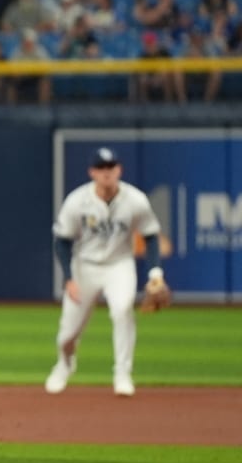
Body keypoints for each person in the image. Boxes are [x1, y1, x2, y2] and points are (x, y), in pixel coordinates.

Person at [45, 147, 165, 397]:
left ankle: (122, 373)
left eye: (111, 167)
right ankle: (65, 363)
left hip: (119, 264)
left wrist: (155, 273)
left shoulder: (135, 199)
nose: (106, 173)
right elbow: (62, 240)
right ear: (92, 172)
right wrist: (68, 278)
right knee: (68, 333)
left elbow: (151, 235)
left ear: (119, 170)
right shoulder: (77, 201)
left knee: (122, 311)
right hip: (84, 266)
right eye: (101, 168)